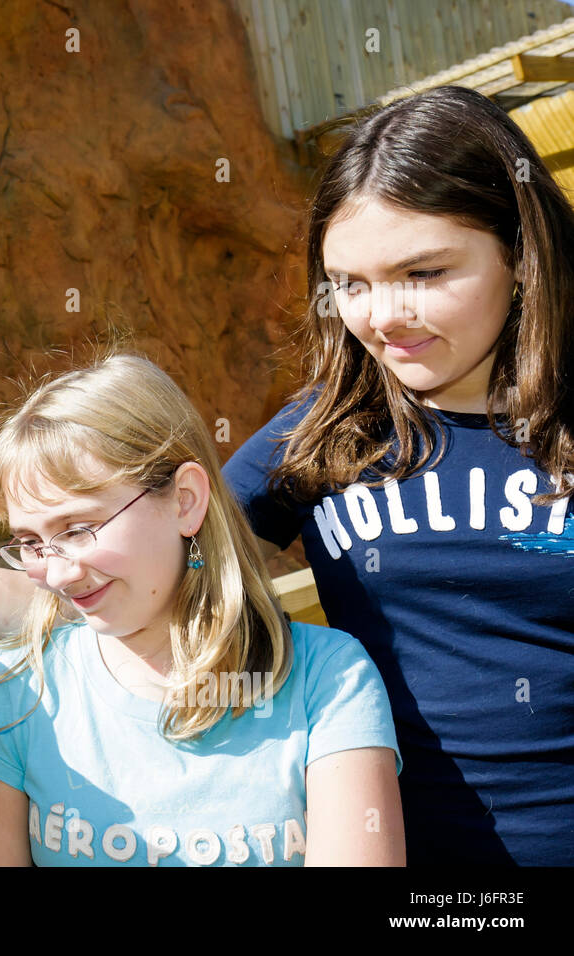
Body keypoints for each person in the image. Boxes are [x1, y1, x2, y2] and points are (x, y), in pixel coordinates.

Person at [0, 353, 404, 865]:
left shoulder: (328, 681)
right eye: (31, 542)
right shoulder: (18, 691)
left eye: (80, 527)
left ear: (184, 501)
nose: (57, 572)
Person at [221, 86, 574, 865]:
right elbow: (123, 569)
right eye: (350, 282)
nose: (383, 316)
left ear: (519, 255)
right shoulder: (324, 429)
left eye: (423, 271)